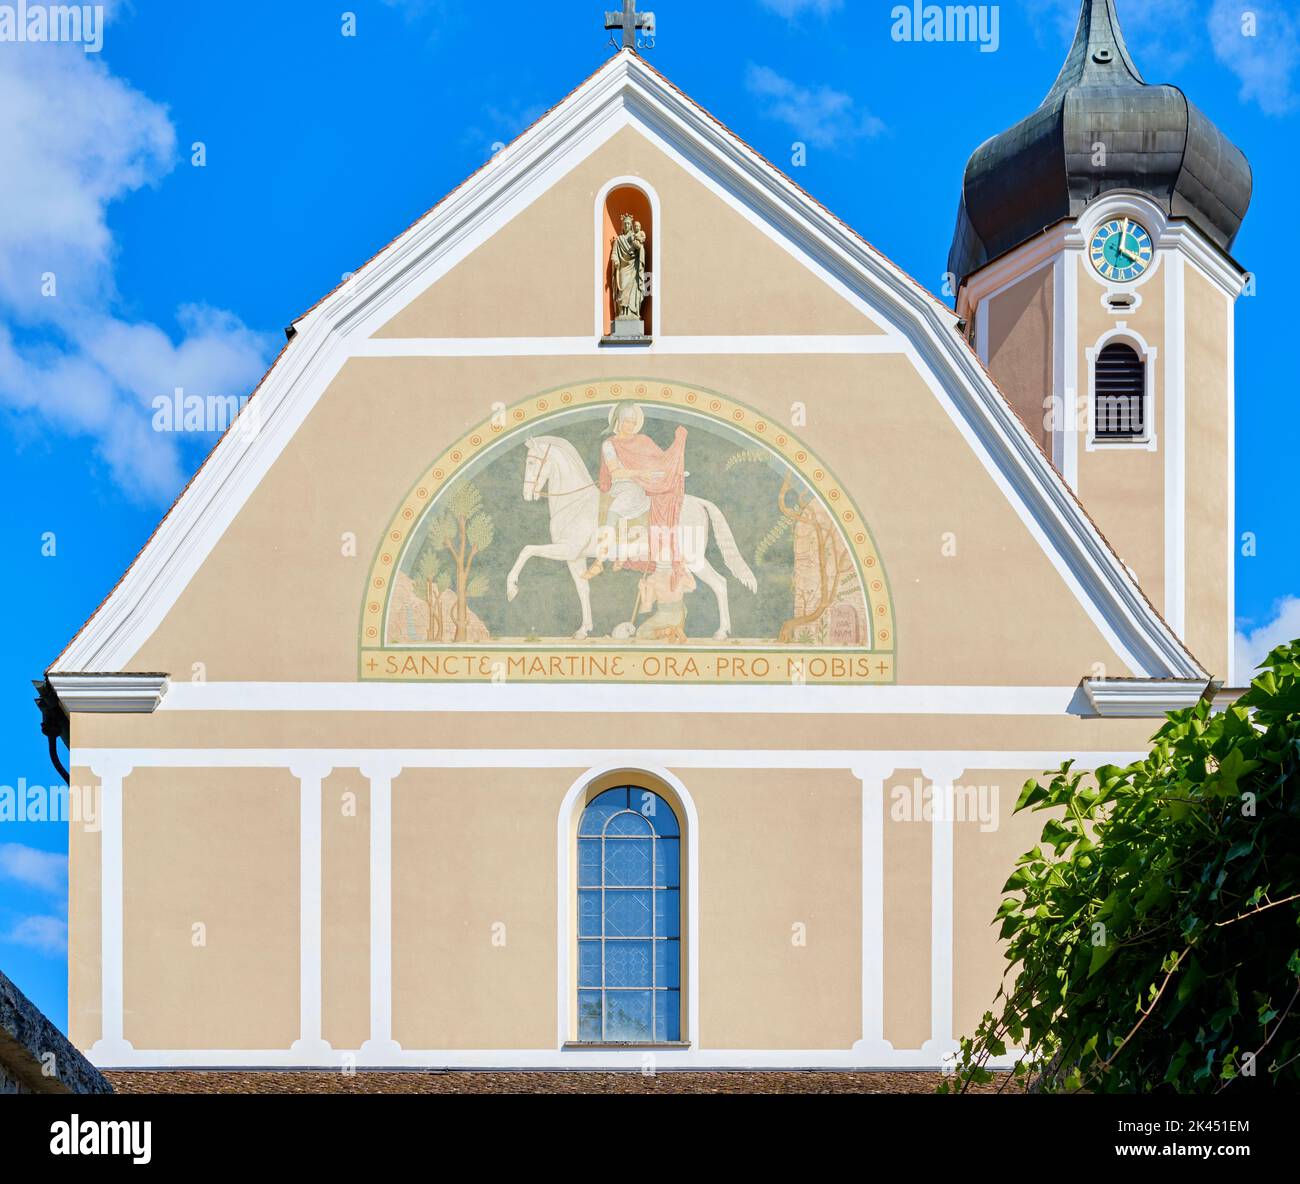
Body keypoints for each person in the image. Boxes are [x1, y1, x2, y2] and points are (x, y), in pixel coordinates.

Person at [584, 403, 687, 581]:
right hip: (618, 485)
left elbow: (660, 461)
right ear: (618, 422)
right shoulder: (609, 444)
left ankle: (599, 562)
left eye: (633, 422)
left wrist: (673, 470)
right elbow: (615, 472)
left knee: (613, 512)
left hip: (637, 488)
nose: (630, 426)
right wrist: (641, 472)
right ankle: (620, 554)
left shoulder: (643, 441)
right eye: (627, 422)